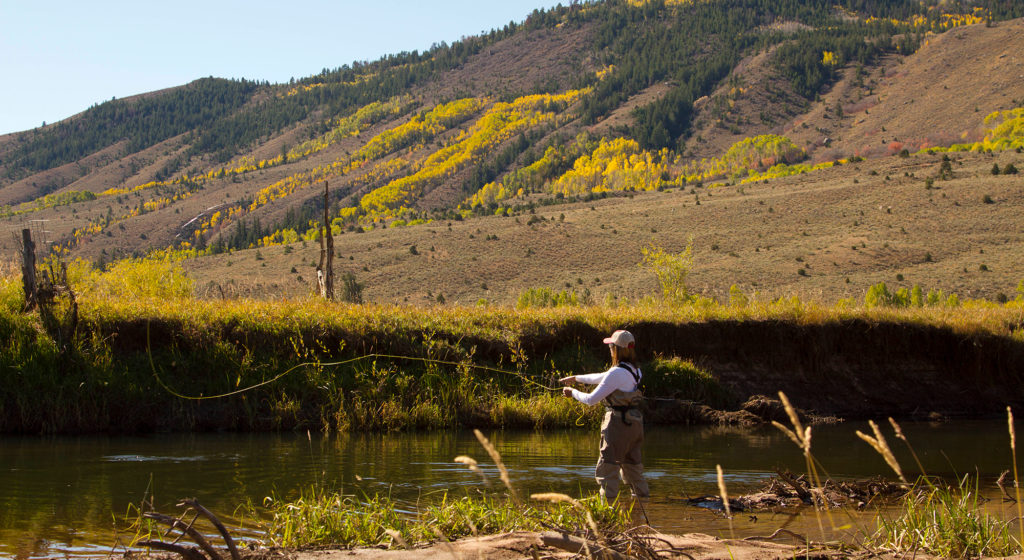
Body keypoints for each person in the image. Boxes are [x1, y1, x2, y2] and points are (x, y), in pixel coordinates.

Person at [560, 330, 650, 500]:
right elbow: (602, 377)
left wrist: (572, 393)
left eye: (611, 346)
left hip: (617, 425)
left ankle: (606, 512)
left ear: (617, 349)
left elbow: (591, 399)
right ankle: (642, 505)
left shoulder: (616, 373)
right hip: (635, 424)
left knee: (607, 468)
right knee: (633, 468)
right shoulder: (635, 371)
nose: (609, 348)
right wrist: (576, 378)